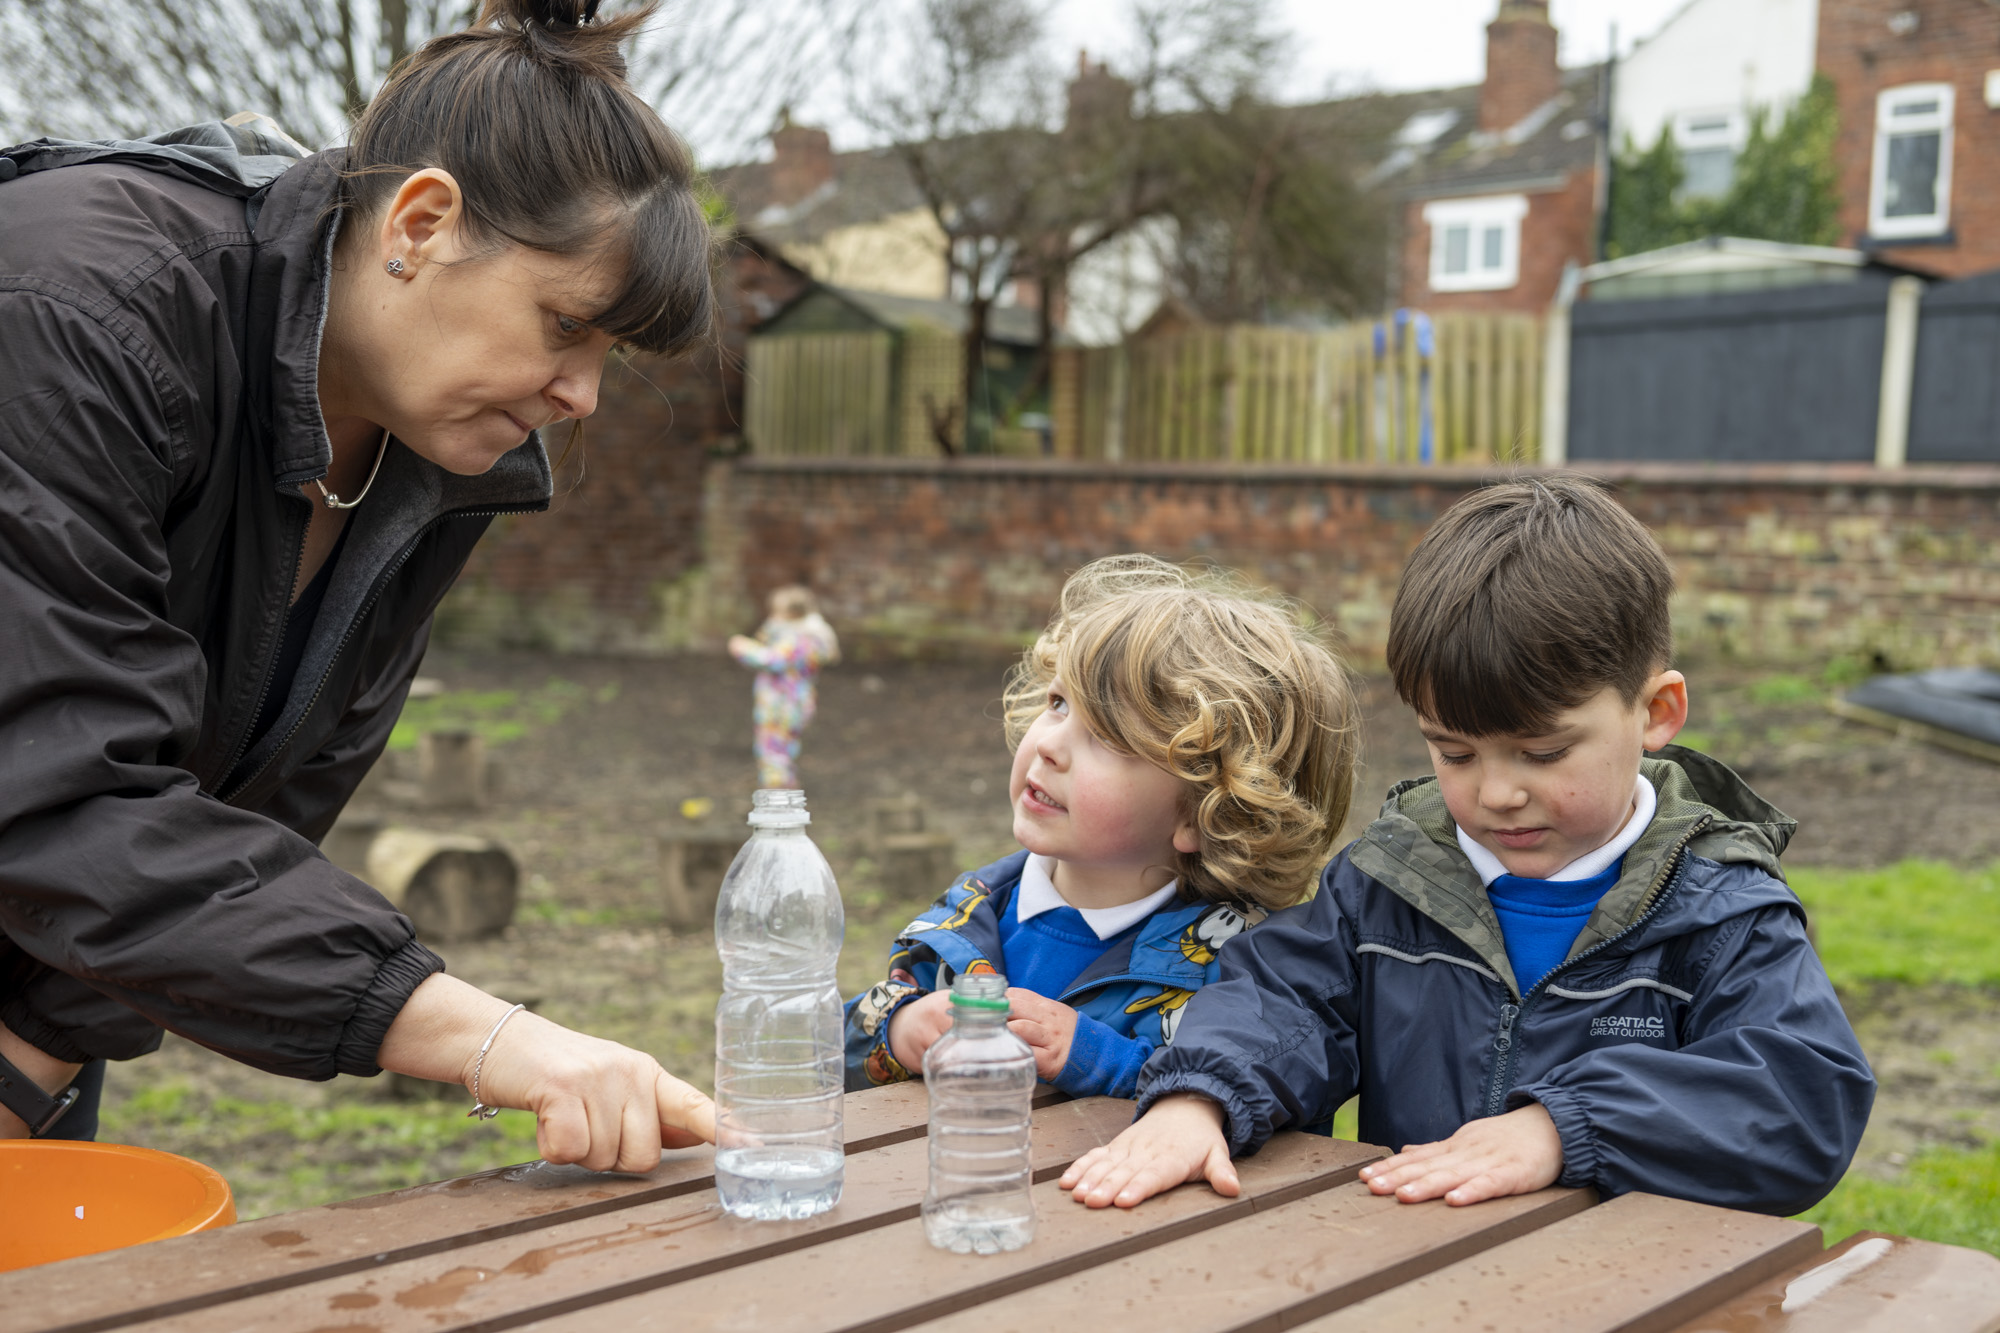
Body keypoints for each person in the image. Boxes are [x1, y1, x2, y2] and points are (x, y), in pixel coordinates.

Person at [0, 0, 718, 1168]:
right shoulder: (69, 313)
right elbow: (52, 781)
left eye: (609, 360)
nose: (582, 396)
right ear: (422, 222)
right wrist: (482, 1034)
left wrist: (29, 1064)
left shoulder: (433, 463)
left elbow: (254, 806)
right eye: (566, 326)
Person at [1059, 479, 1875, 1216]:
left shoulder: (1722, 911)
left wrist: (1565, 1127)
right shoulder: (1386, 884)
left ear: (1656, 712)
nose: (1496, 792)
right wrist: (1198, 1097)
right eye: (1454, 752)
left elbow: (1802, 1094)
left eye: (1544, 753)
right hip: (1415, 1282)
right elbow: (1280, 997)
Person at [843, 555, 1359, 1098]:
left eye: (1109, 738)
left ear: (1207, 811)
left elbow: (1274, 1100)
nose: (1047, 744)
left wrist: (1095, 1057)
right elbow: (829, 1056)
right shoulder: (970, 918)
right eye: (1059, 703)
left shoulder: (1248, 967)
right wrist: (899, 1031)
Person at [728, 586, 841, 789]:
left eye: (776, 612)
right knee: (784, 746)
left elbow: (772, 660)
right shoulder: (809, 635)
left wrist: (741, 647)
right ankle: (783, 788)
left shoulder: (801, 640)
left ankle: (778, 795)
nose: (772, 617)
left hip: (782, 703)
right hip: (795, 700)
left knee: (774, 749)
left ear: (791, 614)